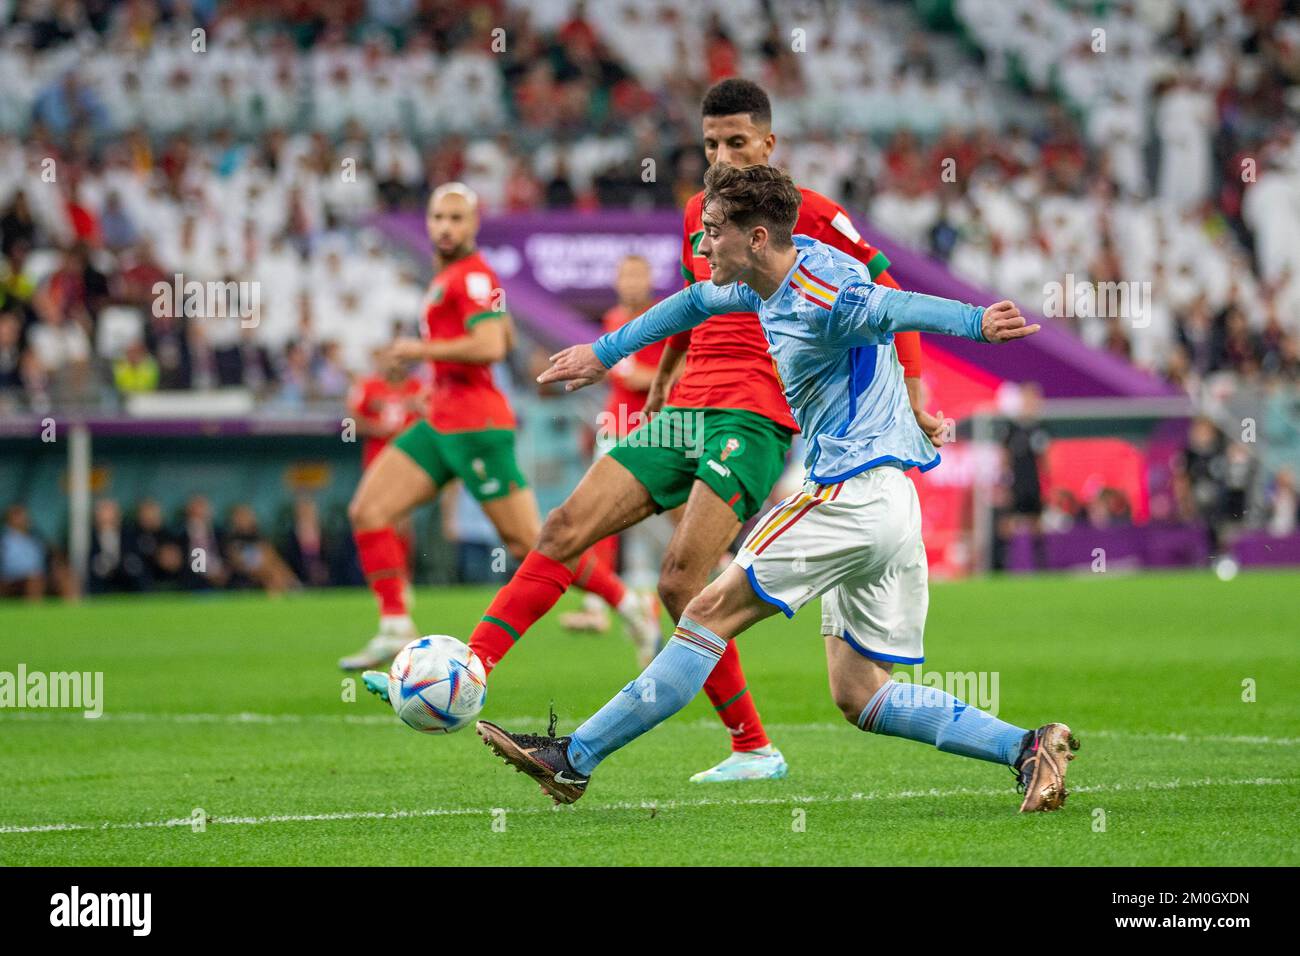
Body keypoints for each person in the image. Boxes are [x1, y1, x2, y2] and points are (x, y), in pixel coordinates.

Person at [478, 162, 1079, 814]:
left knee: (703, 611)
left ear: (756, 236)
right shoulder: (766, 280)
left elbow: (889, 306)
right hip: (890, 507)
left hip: (848, 497)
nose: (701, 246)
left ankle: (574, 759)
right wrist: (606, 350)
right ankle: (1028, 746)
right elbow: (692, 302)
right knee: (860, 693)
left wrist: (975, 323)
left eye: (712, 233)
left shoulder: (826, 294)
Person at [453, 78, 944, 785]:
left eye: (736, 142)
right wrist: (659, 380)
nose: (720, 154)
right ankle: (472, 666)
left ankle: (752, 747)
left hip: (757, 415)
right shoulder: (700, 212)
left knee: (682, 581)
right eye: (710, 142)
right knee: (562, 527)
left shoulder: (812, 213)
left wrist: (919, 392)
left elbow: (890, 297)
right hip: (686, 409)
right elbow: (695, 304)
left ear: (769, 144)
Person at [341, 183, 658, 670]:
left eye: (456, 218)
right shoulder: (455, 278)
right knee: (369, 509)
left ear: (472, 225)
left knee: (530, 542)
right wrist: (437, 380)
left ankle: (626, 602)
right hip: (441, 419)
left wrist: (418, 352)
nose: (445, 227)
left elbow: (491, 345)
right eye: (438, 217)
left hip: (476, 427)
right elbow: (503, 329)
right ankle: (394, 624)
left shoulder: (471, 276)